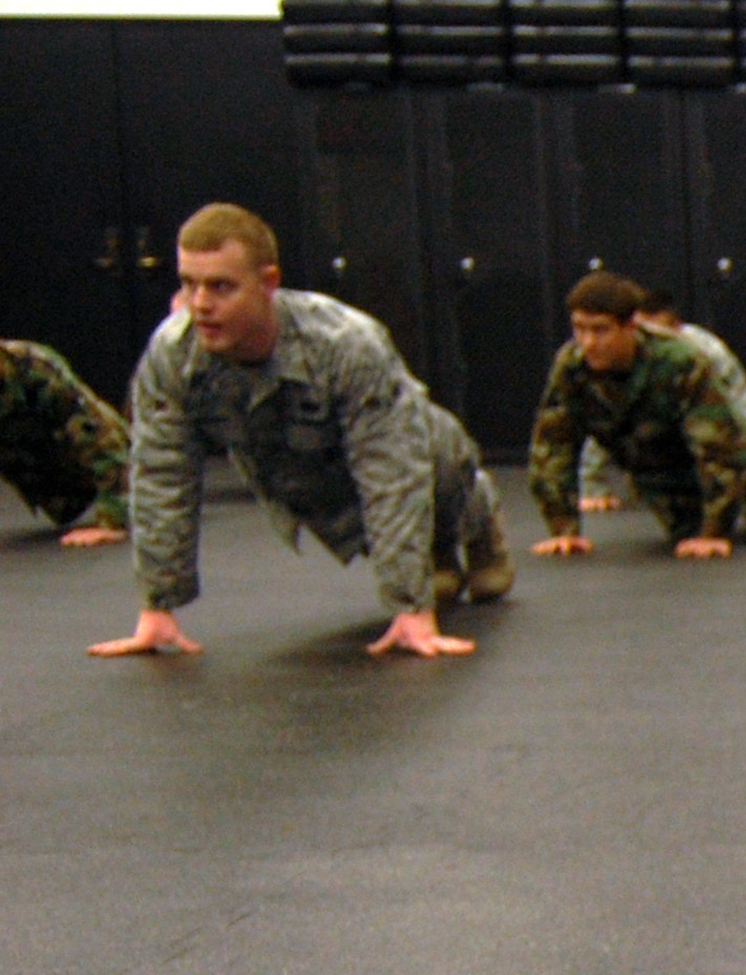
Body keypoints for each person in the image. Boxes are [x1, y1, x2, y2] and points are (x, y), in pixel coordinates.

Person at [104, 204, 508, 661]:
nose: (200, 304)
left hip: (415, 449)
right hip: (303, 472)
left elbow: (391, 471)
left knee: (437, 462)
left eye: (221, 286)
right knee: (349, 511)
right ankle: (433, 560)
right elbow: (161, 475)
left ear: (268, 283)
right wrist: (157, 607)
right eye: (189, 284)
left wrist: (410, 609)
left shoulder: (346, 344)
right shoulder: (173, 354)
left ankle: (478, 516)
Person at [525, 271, 746, 563]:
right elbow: (553, 445)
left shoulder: (679, 360)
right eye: (579, 329)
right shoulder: (571, 367)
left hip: (713, 441)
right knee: (684, 534)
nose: (587, 342)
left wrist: (714, 532)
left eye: (600, 330)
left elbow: (720, 447)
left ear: (630, 326)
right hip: (654, 461)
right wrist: (563, 529)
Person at [576, 284, 746, 513]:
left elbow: (741, 411)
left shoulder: (707, 352)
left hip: (706, 425)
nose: (650, 342)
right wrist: (592, 487)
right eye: (642, 333)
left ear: (678, 329)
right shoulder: (622, 356)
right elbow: (606, 419)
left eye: (659, 335)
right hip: (662, 433)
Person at [2, 339, 132, 547]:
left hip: (115, 463)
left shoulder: (32, 366)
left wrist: (111, 521)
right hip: (53, 485)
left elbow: (99, 433)